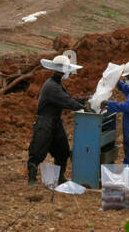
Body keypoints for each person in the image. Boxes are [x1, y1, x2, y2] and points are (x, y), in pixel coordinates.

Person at [27, 54, 86, 186]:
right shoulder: (52, 86)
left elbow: (69, 98)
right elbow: (68, 101)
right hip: (45, 122)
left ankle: (60, 177)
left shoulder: (57, 83)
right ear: (63, 70)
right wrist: (83, 107)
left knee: (63, 150)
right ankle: (31, 179)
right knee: (37, 151)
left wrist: (86, 100)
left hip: (55, 122)